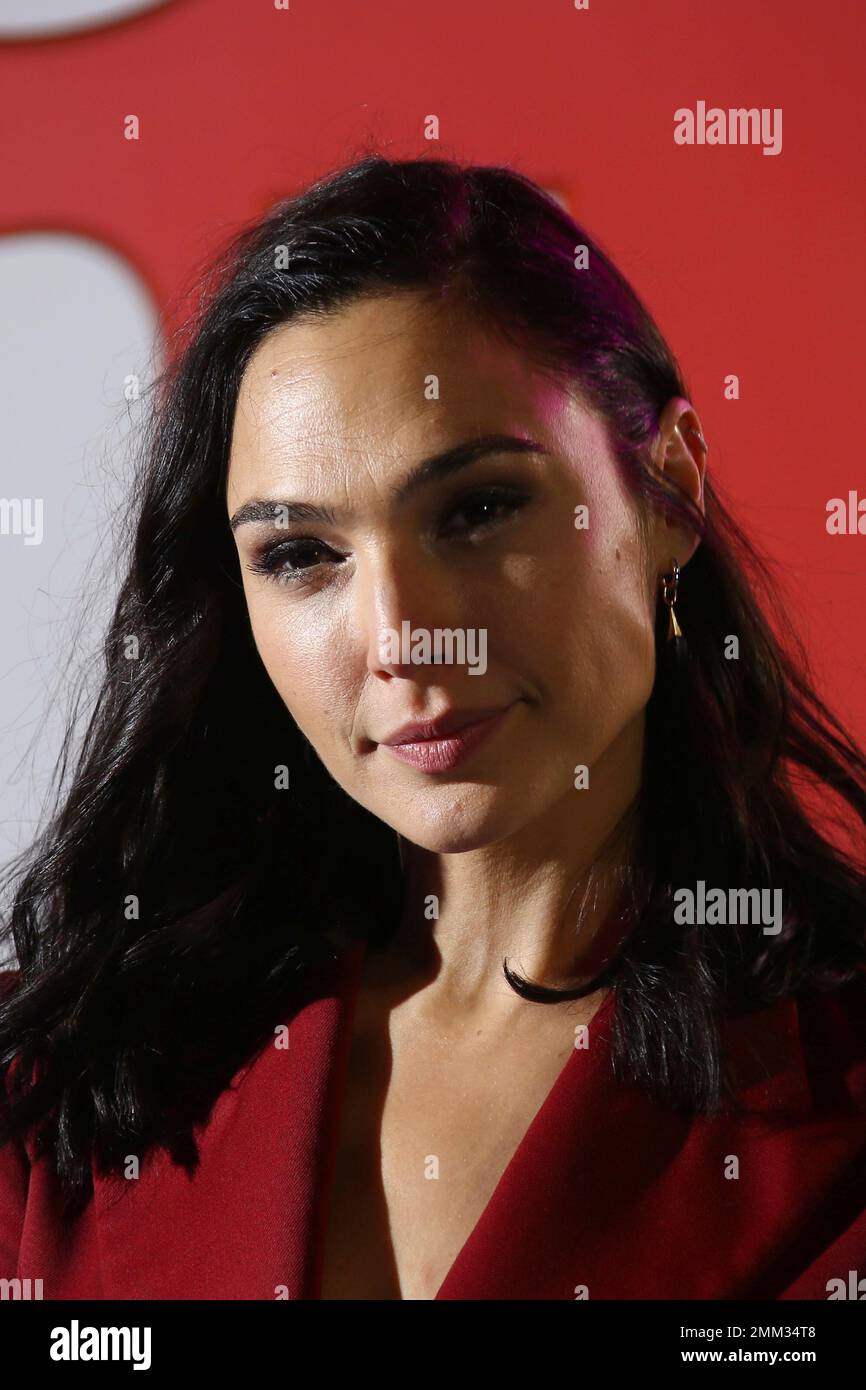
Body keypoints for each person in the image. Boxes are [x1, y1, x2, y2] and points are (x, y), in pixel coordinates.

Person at [1, 154, 864, 1301]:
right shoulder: (60, 1080)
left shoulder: (834, 1100)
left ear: (668, 491)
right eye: (302, 555)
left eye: (476, 509)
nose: (404, 639)